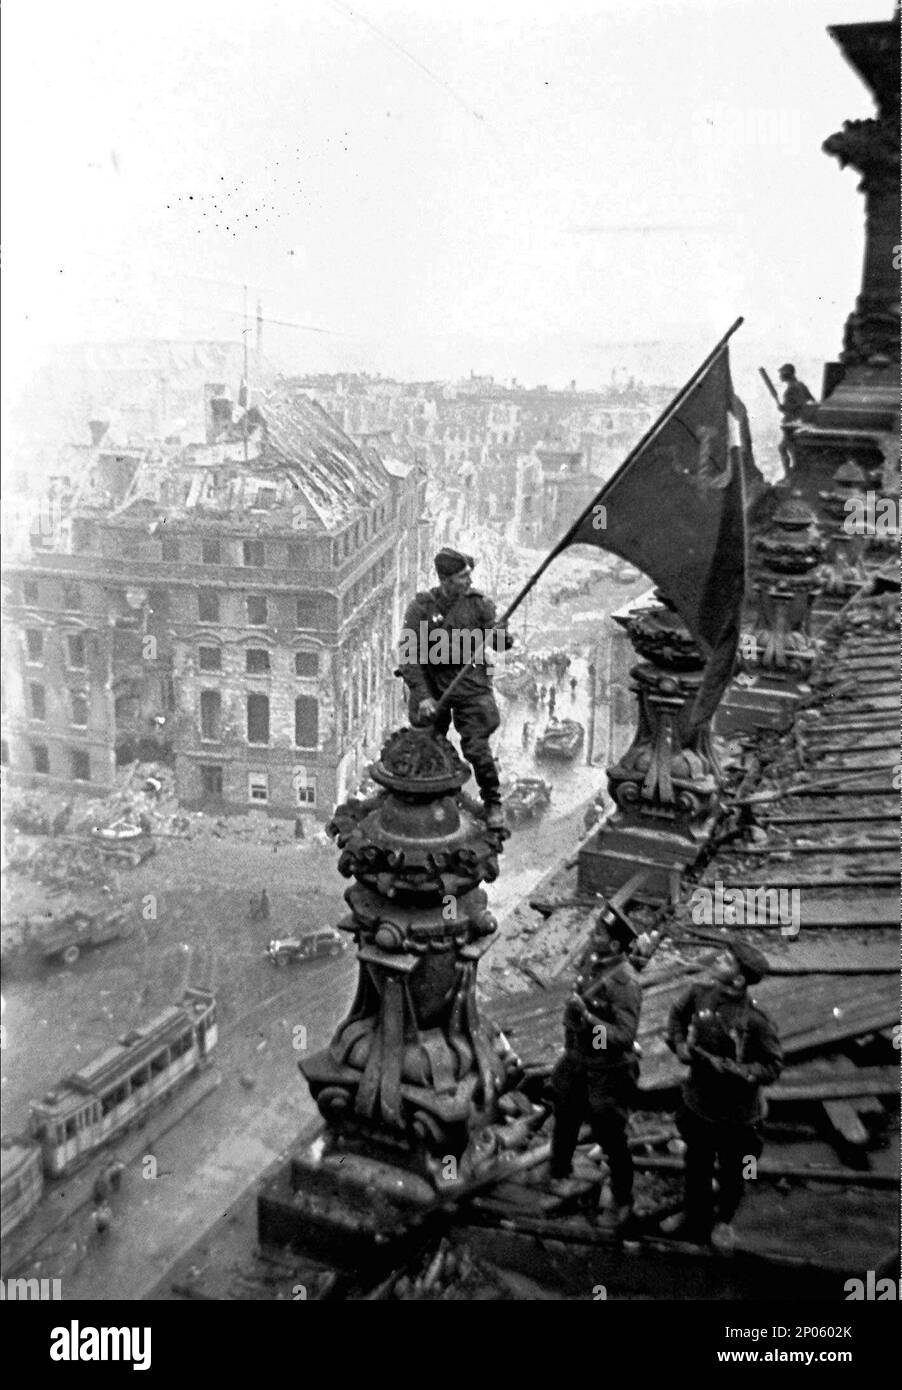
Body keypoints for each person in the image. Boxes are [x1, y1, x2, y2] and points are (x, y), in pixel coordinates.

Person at [663, 941, 783, 1251]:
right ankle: (694, 1218)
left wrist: (737, 1071)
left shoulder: (755, 1021)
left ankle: (724, 1222)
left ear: (740, 979)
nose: (718, 960)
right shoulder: (698, 993)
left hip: (737, 1115)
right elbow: (676, 1017)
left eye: (726, 960)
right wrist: (679, 1046)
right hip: (700, 1104)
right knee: (696, 1166)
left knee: (733, 1172)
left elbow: (773, 1066)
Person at [396, 547, 513, 829]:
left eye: (469, 575)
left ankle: (492, 802)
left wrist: (501, 635)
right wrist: (422, 696)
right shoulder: (421, 608)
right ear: (445, 580)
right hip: (433, 687)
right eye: (462, 577)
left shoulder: (479, 605)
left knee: (477, 748)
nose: (468, 582)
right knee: (426, 743)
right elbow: (409, 655)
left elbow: (499, 644)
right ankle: (435, 798)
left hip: (469, 685)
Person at [548, 913, 643, 1228]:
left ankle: (622, 1199)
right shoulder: (593, 960)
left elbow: (623, 1036)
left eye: (600, 933)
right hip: (578, 1061)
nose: (593, 933)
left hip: (607, 1072)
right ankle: (559, 1175)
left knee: (611, 1136)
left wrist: (589, 1020)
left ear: (615, 944)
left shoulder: (624, 982)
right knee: (565, 1118)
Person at [776, 363, 815, 473]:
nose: (780, 376)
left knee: (785, 448)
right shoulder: (801, 385)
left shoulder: (791, 389)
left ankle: (789, 473)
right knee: (792, 448)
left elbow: (791, 408)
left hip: (791, 424)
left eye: (781, 373)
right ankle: (794, 470)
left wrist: (782, 408)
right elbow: (811, 401)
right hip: (801, 422)